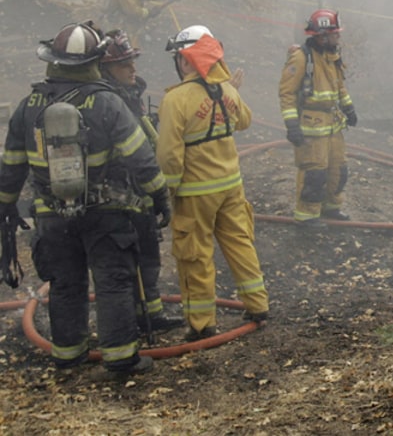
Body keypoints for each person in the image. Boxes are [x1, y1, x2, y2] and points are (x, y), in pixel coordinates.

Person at [0, 21, 168, 374]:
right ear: (94, 61)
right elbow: (140, 157)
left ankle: (68, 354)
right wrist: (159, 197)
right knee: (112, 282)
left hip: (50, 216)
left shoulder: (29, 104)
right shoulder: (106, 101)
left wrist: (5, 207)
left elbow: (11, 163)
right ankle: (121, 357)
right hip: (105, 213)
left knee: (65, 284)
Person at [158, 25, 269, 341]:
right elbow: (244, 121)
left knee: (195, 255)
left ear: (185, 60)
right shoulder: (228, 91)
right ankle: (258, 305)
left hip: (195, 193)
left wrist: (169, 189)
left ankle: (202, 323)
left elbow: (168, 154)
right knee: (240, 243)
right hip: (231, 187)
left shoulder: (175, 100)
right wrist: (231, 90)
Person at [99, 29, 185, 332]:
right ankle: (133, 322)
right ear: (104, 69)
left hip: (140, 192)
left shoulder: (129, 96)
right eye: (124, 64)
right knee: (126, 264)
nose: (133, 69)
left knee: (148, 256)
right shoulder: (108, 102)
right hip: (121, 196)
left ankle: (150, 315)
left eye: (132, 61)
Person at [278, 9, 358, 226]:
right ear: (322, 35)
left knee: (338, 169)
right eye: (335, 33)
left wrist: (349, 108)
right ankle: (307, 214)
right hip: (312, 128)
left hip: (333, 125)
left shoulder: (331, 55)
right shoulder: (302, 57)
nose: (338, 37)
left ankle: (331, 207)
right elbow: (286, 92)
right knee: (314, 172)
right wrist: (292, 124)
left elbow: (338, 86)